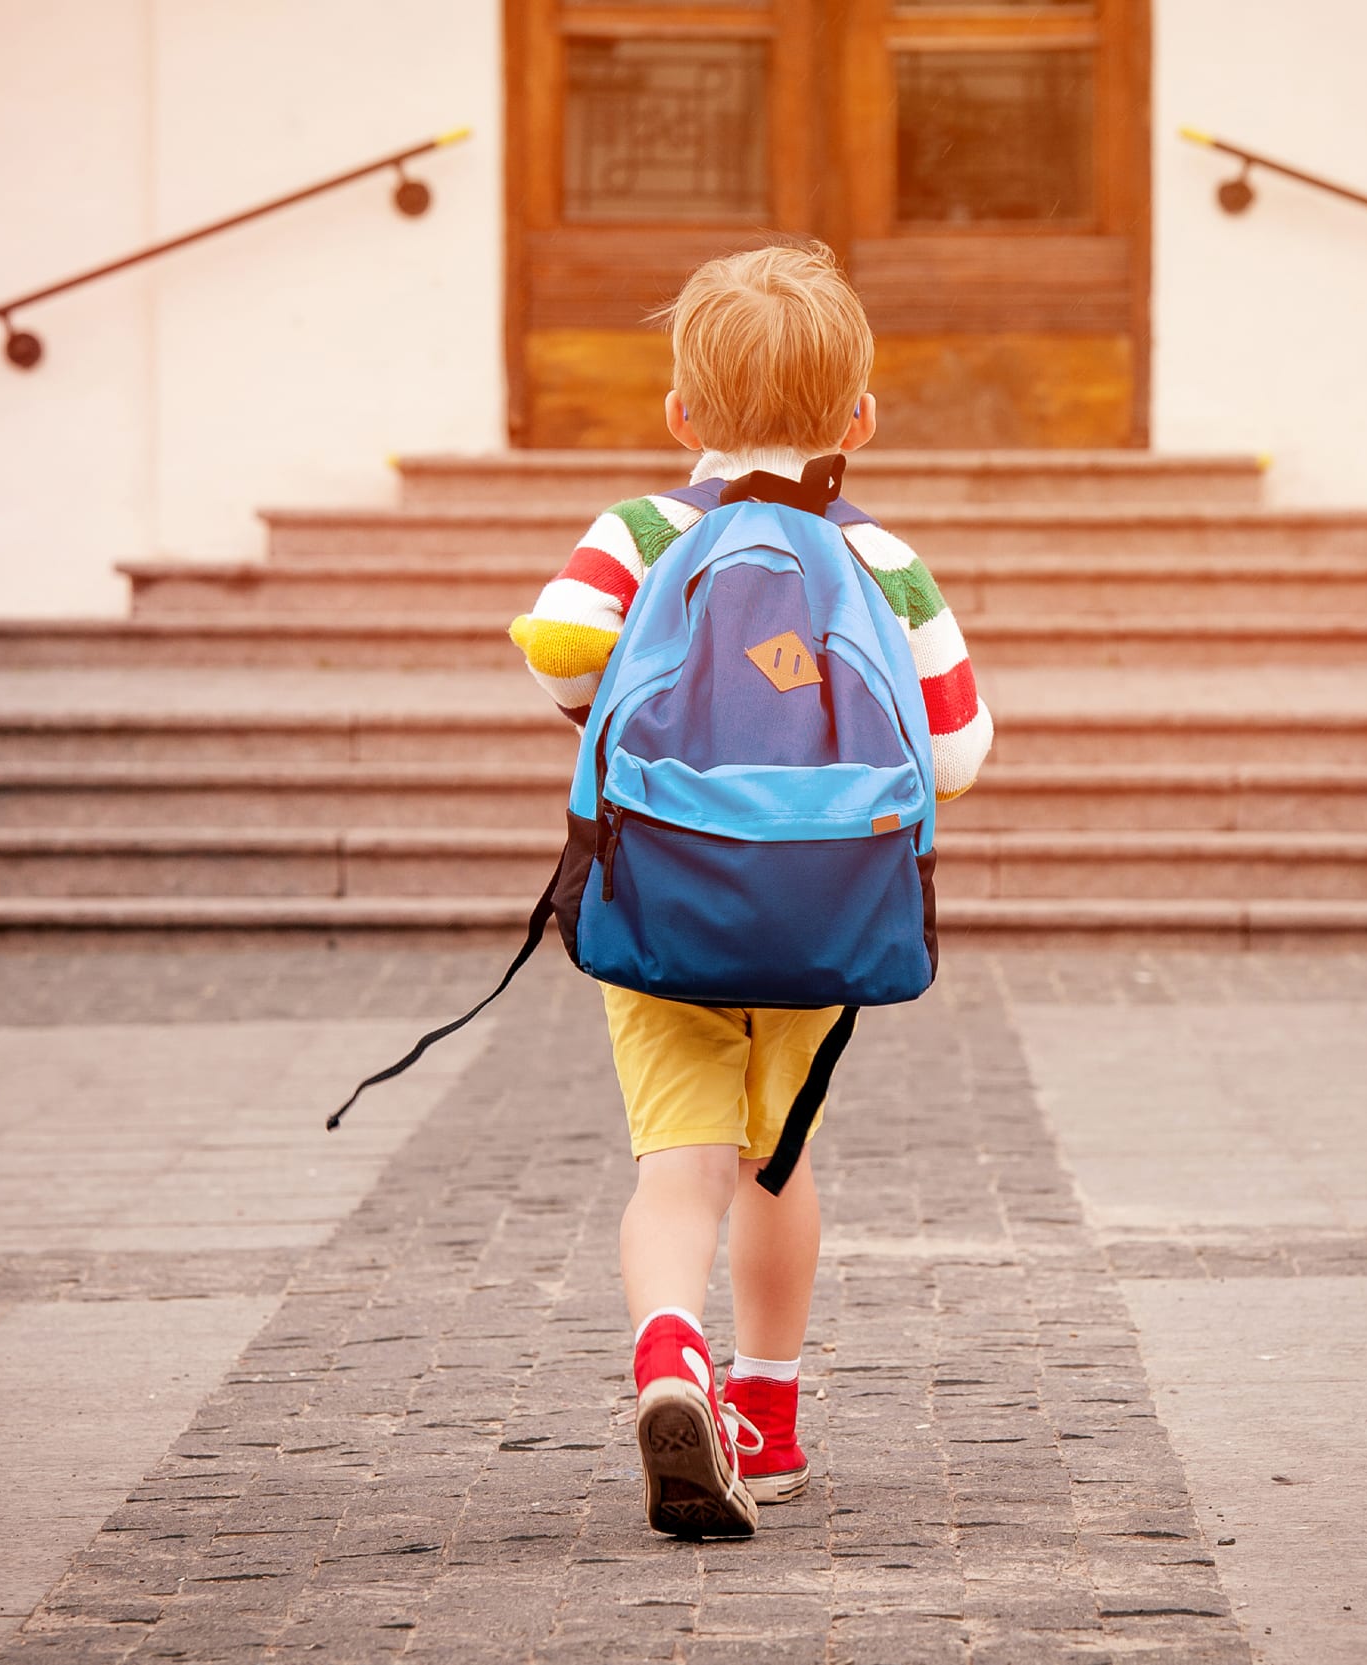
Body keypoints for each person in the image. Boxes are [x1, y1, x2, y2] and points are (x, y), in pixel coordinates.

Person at [508, 242, 993, 1537]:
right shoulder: (880, 556)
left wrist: (613, 707)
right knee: (778, 1162)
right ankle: (768, 1417)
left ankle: (672, 1353)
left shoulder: (642, 529)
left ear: (680, 416)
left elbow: (560, 647)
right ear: (859, 419)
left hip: (660, 896)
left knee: (678, 1166)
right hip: (820, 908)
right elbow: (954, 749)